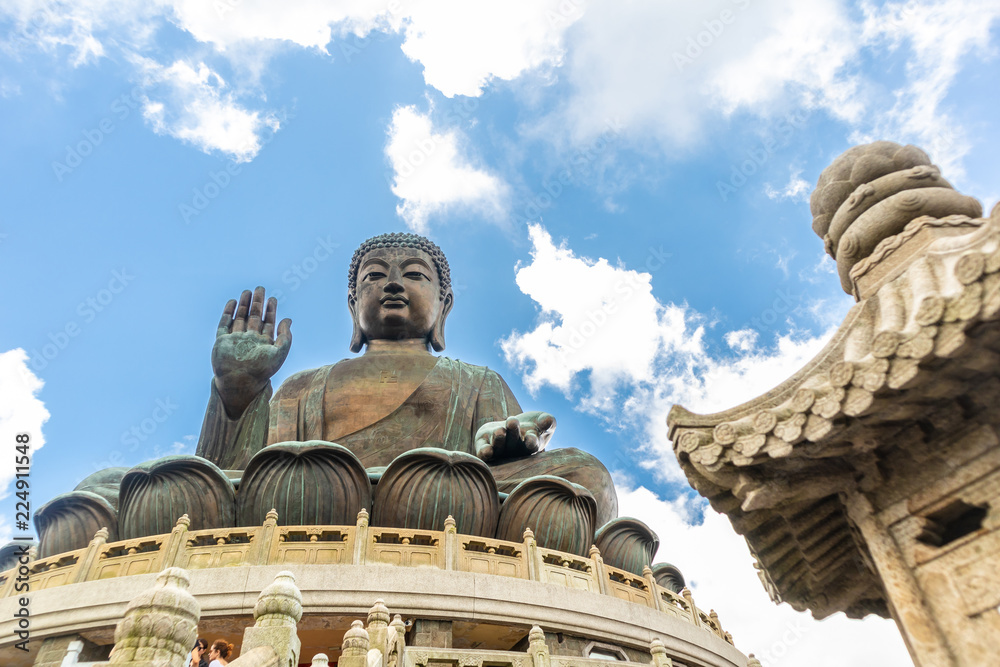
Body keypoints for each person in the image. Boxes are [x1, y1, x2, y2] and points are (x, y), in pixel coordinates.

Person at [196, 232, 617, 526]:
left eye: (414, 275)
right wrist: (239, 392)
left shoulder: (477, 381)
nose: (393, 283)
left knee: (585, 476)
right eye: (375, 276)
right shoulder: (303, 386)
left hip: (445, 498)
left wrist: (508, 442)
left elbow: (503, 461)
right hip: (310, 498)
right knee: (145, 485)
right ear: (352, 305)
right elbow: (240, 477)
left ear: (443, 306)